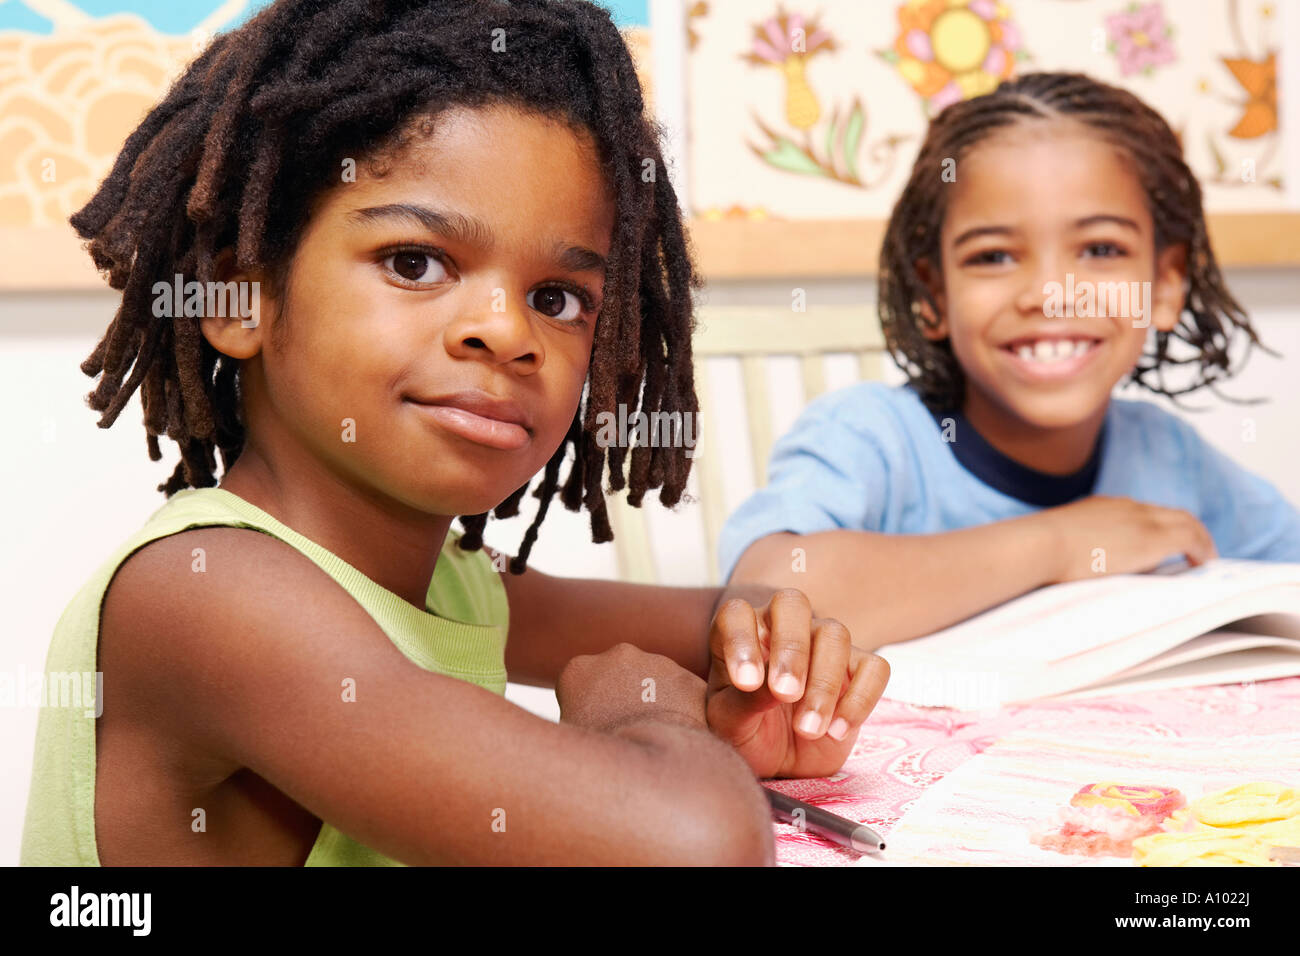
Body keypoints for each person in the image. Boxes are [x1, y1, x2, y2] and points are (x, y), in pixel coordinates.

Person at [21, 0, 888, 867]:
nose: (507, 332)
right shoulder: (207, 599)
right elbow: (696, 847)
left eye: (557, 299)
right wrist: (644, 715)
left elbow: (722, 620)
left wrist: (776, 670)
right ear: (239, 297)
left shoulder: (456, 583)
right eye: (415, 263)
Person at [720, 71, 1300, 652]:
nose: (1050, 293)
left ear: (1165, 284)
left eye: (1101, 250)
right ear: (934, 296)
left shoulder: (1171, 458)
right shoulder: (870, 438)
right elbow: (765, 593)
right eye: (994, 256)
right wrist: (1060, 542)